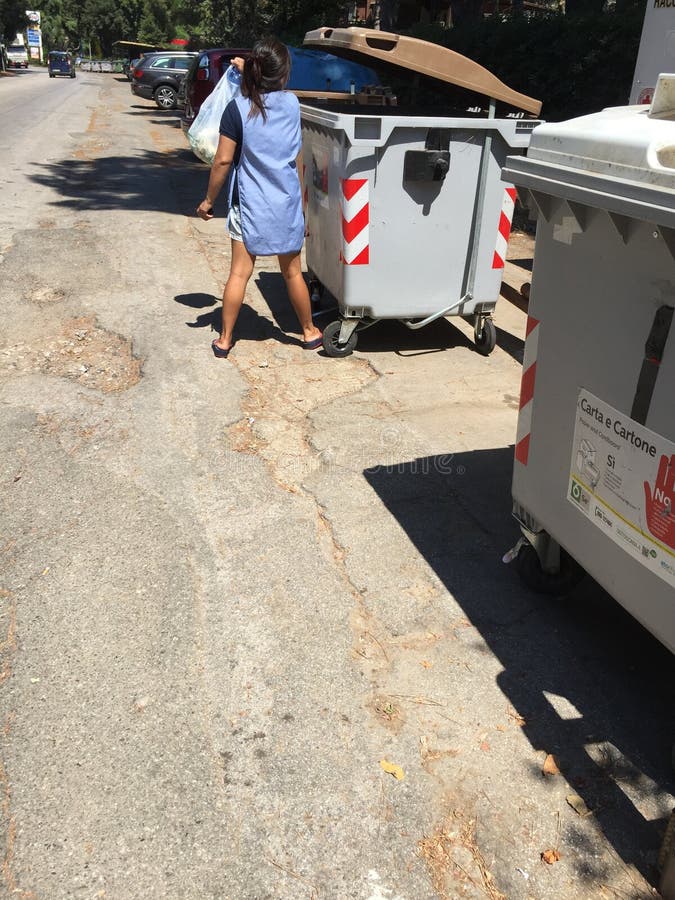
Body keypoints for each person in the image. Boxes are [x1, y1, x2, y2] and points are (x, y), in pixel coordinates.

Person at [196, 39, 323, 358]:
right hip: (285, 202)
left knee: (239, 273)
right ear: (283, 75)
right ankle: (308, 332)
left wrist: (208, 200)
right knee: (292, 272)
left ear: (253, 71)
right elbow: (292, 150)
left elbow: (223, 161)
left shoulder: (236, 109)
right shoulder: (292, 104)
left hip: (249, 205)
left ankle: (224, 340)